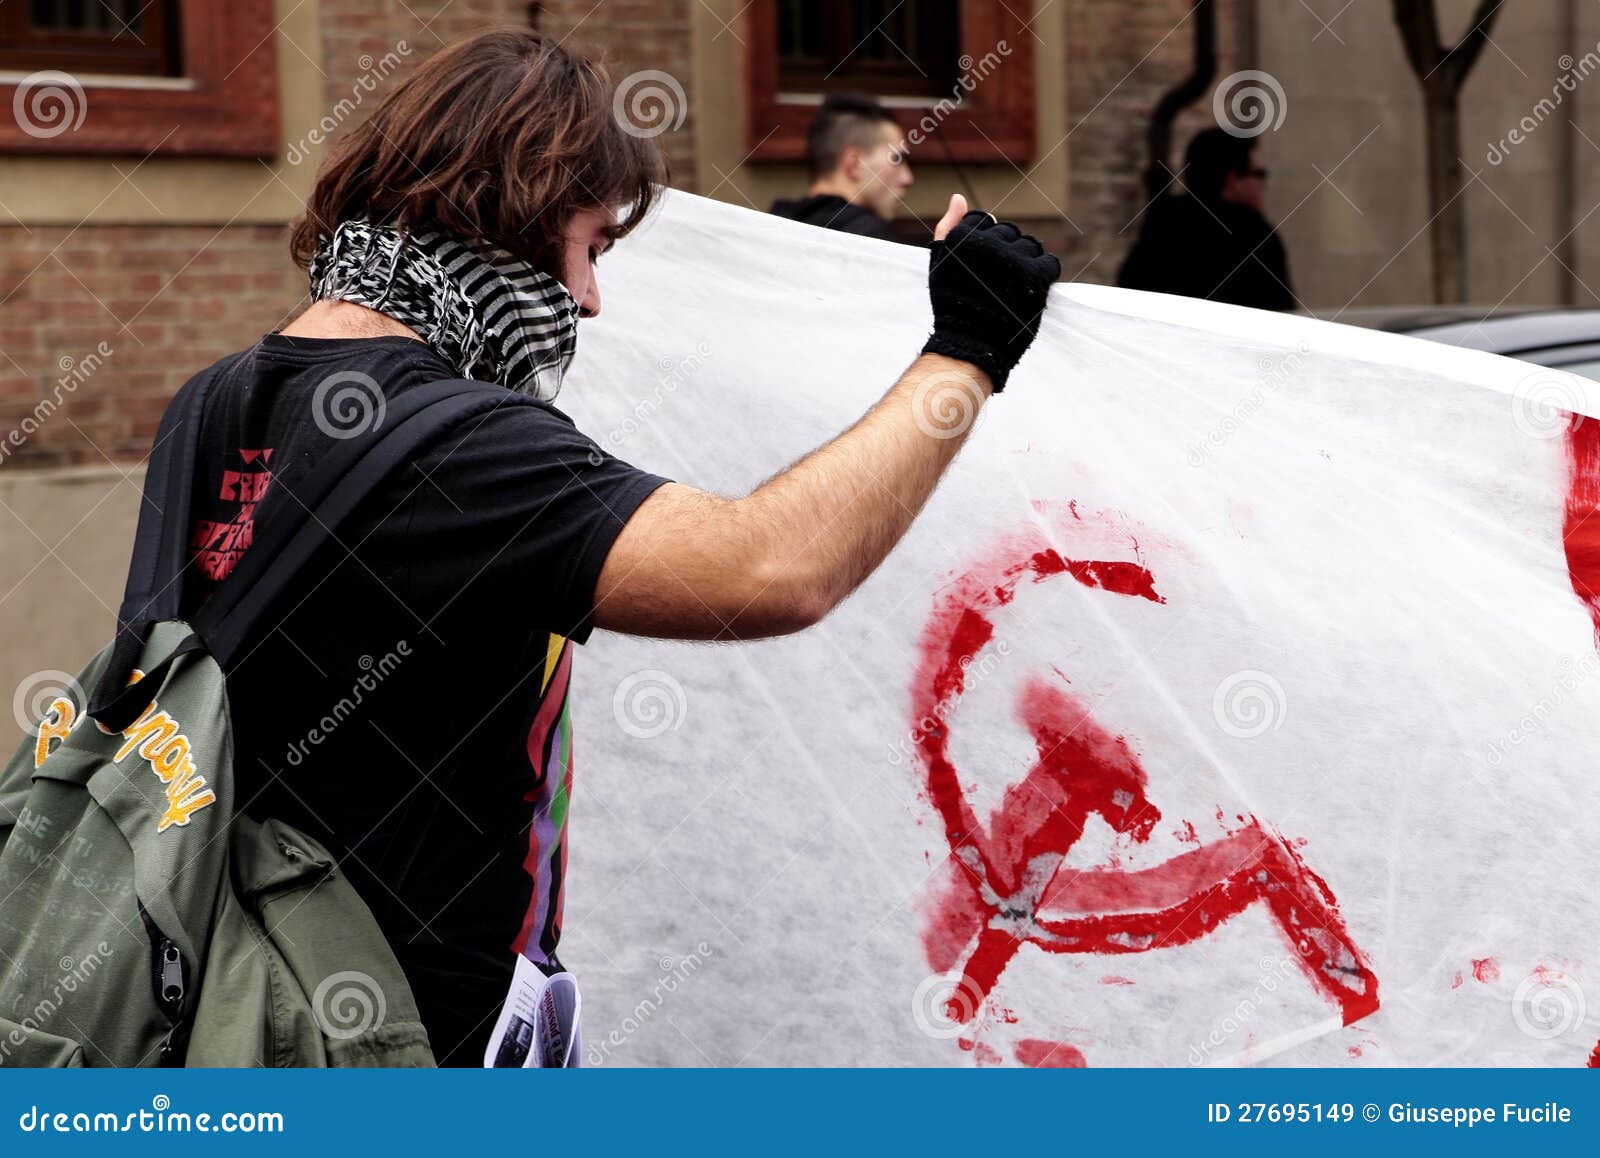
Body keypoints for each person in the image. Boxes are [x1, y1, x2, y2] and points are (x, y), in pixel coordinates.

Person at [172, 30, 1059, 1065]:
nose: (588, 298)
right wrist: (967, 351)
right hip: (408, 1036)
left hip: (237, 1006)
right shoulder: (464, 446)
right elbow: (772, 570)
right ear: (509, 220)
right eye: (589, 246)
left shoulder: (216, 398)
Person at [1117, 127, 1295, 310]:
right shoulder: (1256, 234)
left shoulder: (1163, 223)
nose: (1263, 185)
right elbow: (1281, 317)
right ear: (1233, 180)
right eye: (1259, 174)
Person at [770, 92, 911, 241]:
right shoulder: (869, 239)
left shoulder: (773, 230)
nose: (907, 178)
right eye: (897, 159)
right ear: (854, 164)